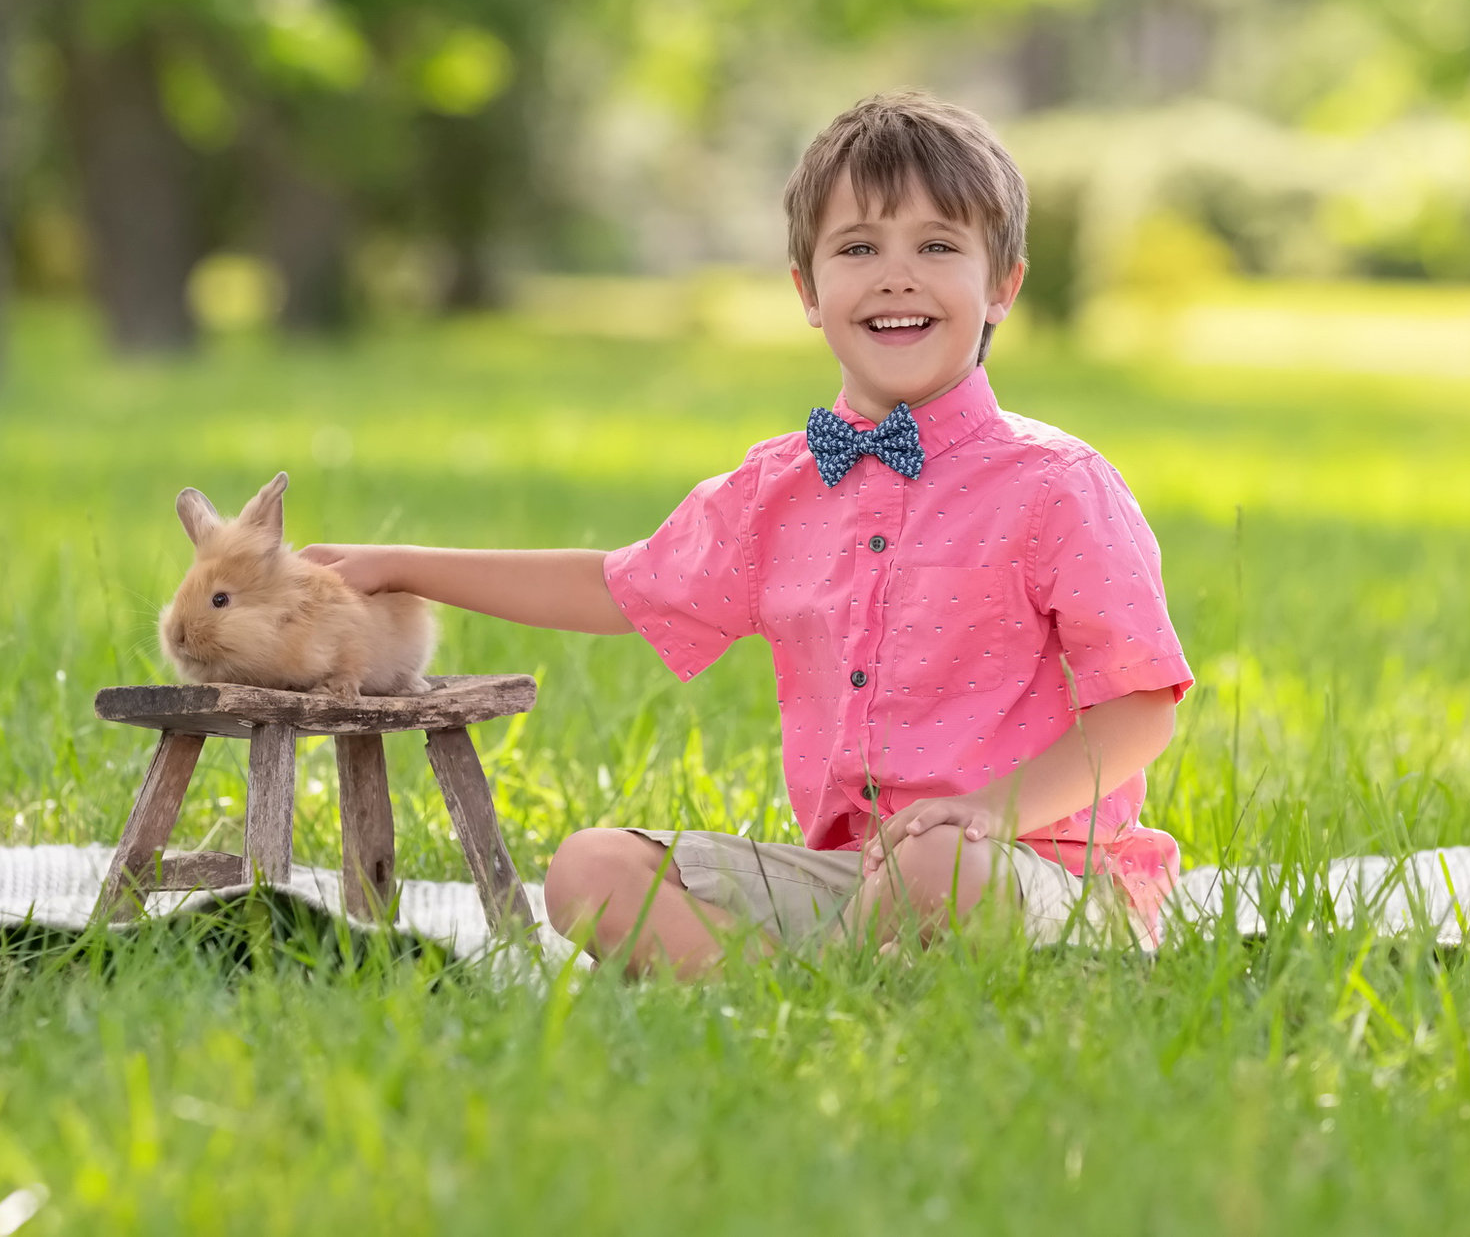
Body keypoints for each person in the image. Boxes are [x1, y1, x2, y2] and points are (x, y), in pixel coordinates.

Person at [305, 93, 1191, 975]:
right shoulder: (778, 490)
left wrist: (998, 811)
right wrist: (402, 565)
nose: (896, 276)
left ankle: (826, 979)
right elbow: (616, 586)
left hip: (1037, 872)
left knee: (938, 867)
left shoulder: (1054, 485)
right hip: (851, 879)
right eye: (858, 248)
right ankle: (805, 990)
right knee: (591, 869)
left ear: (1002, 286)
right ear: (807, 290)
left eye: (937, 246)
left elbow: (1142, 703)